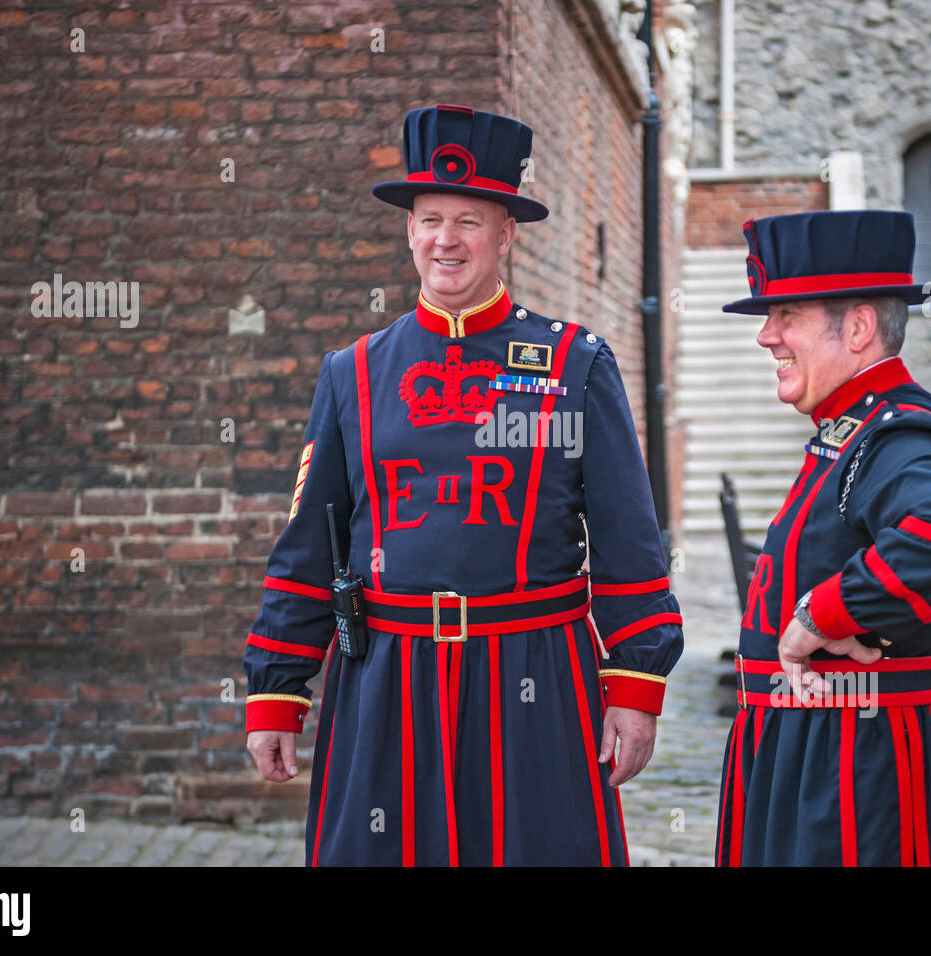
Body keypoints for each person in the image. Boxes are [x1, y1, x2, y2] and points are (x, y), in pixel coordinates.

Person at [242, 104, 683, 866]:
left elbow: (629, 542)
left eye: (470, 221)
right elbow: (311, 544)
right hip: (385, 678)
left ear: (506, 234)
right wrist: (278, 687)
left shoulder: (575, 365)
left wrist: (637, 683)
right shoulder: (353, 373)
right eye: (430, 218)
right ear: (409, 230)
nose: (447, 239)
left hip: (534, 674)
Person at [714, 210, 931, 866]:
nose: (767, 336)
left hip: (864, 771)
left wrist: (822, 617)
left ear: (858, 327)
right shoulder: (850, 425)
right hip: (825, 752)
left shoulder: (895, 432)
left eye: (786, 315)